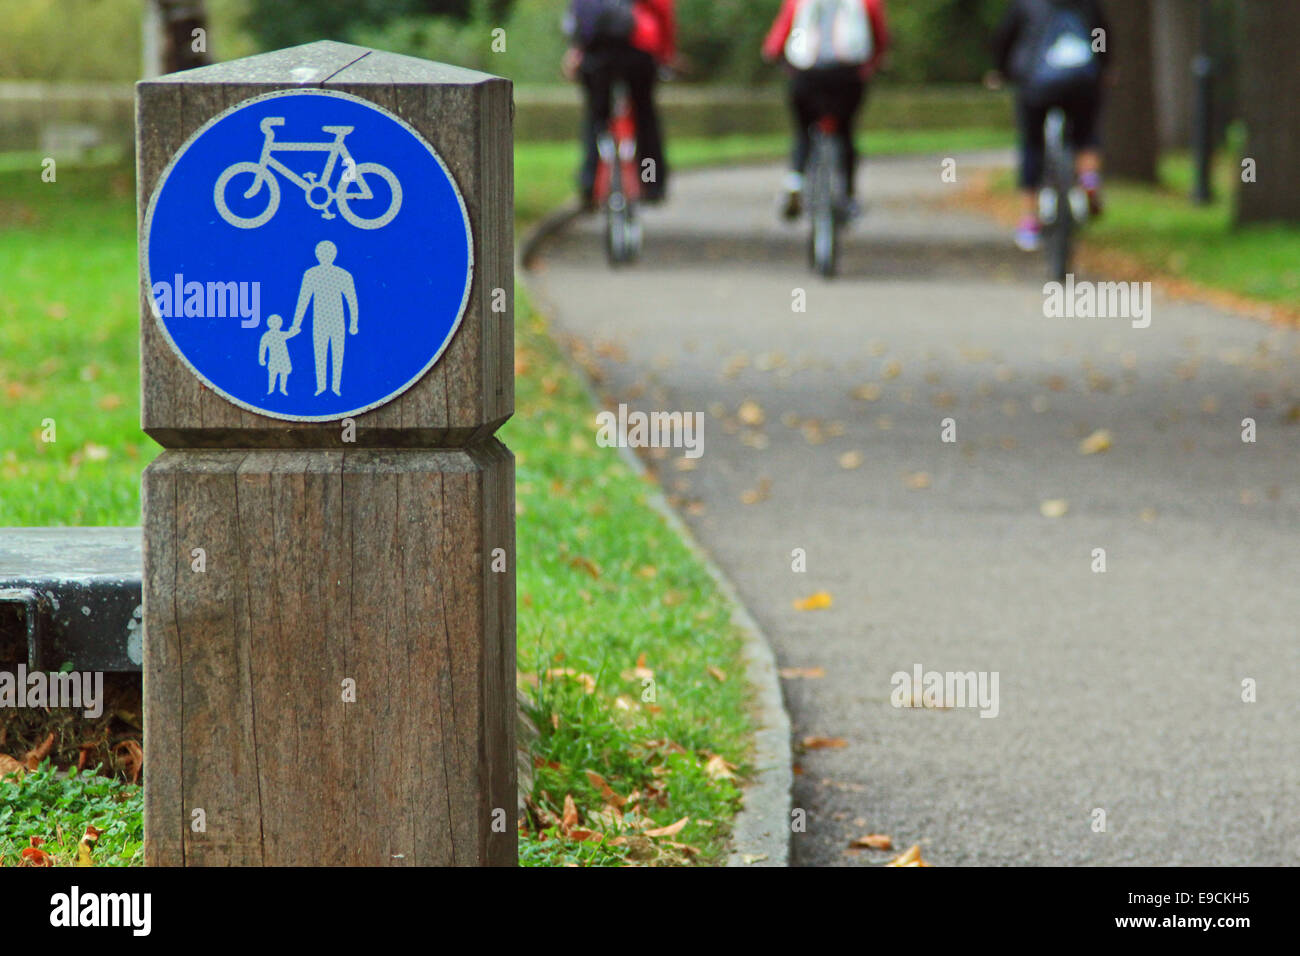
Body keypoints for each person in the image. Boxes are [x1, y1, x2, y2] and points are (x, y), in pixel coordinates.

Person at [991, 0, 1110, 252]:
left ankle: (1030, 220)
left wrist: (1000, 70)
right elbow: (1101, 33)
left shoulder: (1024, 4)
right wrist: (1104, 67)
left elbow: (1005, 38)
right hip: (1082, 82)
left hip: (1036, 84)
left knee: (1032, 144)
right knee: (1085, 135)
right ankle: (1089, 179)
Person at [762, 0, 890, 221]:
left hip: (806, 77)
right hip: (847, 77)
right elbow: (880, 41)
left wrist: (775, 57)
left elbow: (774, 45)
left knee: (803, 131)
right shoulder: (867, 3)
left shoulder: (798, 2)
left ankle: (795, 181)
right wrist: (877, 63)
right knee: (846, 132)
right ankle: (848, 195)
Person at [564, 0, 676, 207]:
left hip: (597, 51)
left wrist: (575, 50)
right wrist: (666, 55)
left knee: (596, 117)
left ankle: (588, 183)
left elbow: (578, 12)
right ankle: (652, 183)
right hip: (639, 48)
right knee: (645, 116)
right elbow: (662, 10)